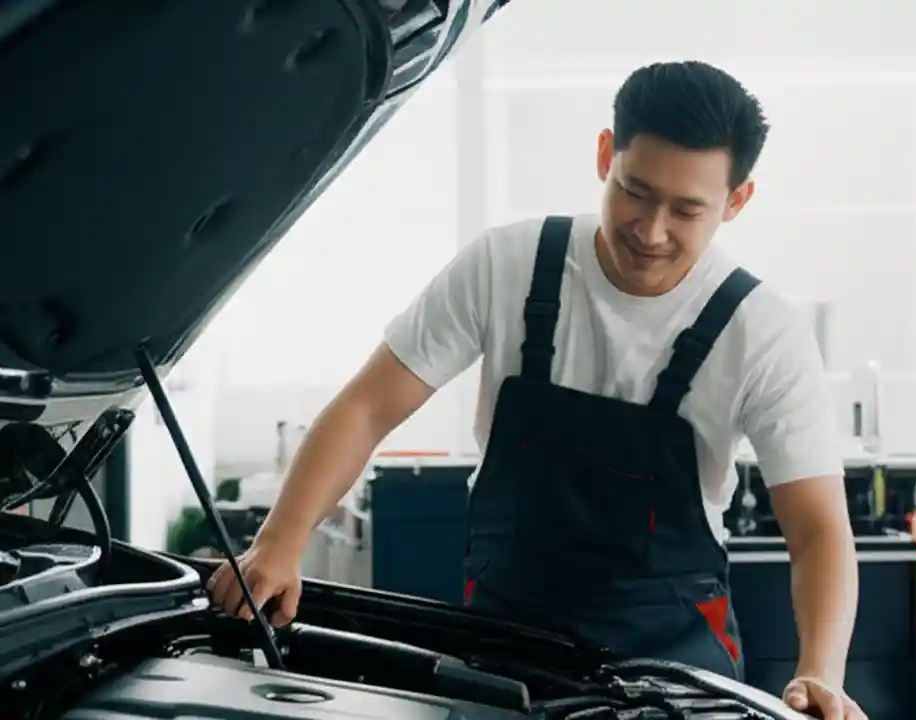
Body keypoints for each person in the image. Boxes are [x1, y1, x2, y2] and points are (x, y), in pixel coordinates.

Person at [206, 60, 865, 719]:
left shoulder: (763, 332)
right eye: (635, 191)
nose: (652, 230)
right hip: (507, 655)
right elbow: (368, 405)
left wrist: (822, 673)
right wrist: (281, 541)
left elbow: (817, 532)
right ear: (606, 155)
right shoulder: (508, 267)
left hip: (675, 679)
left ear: (736, 201)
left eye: (687, 210)